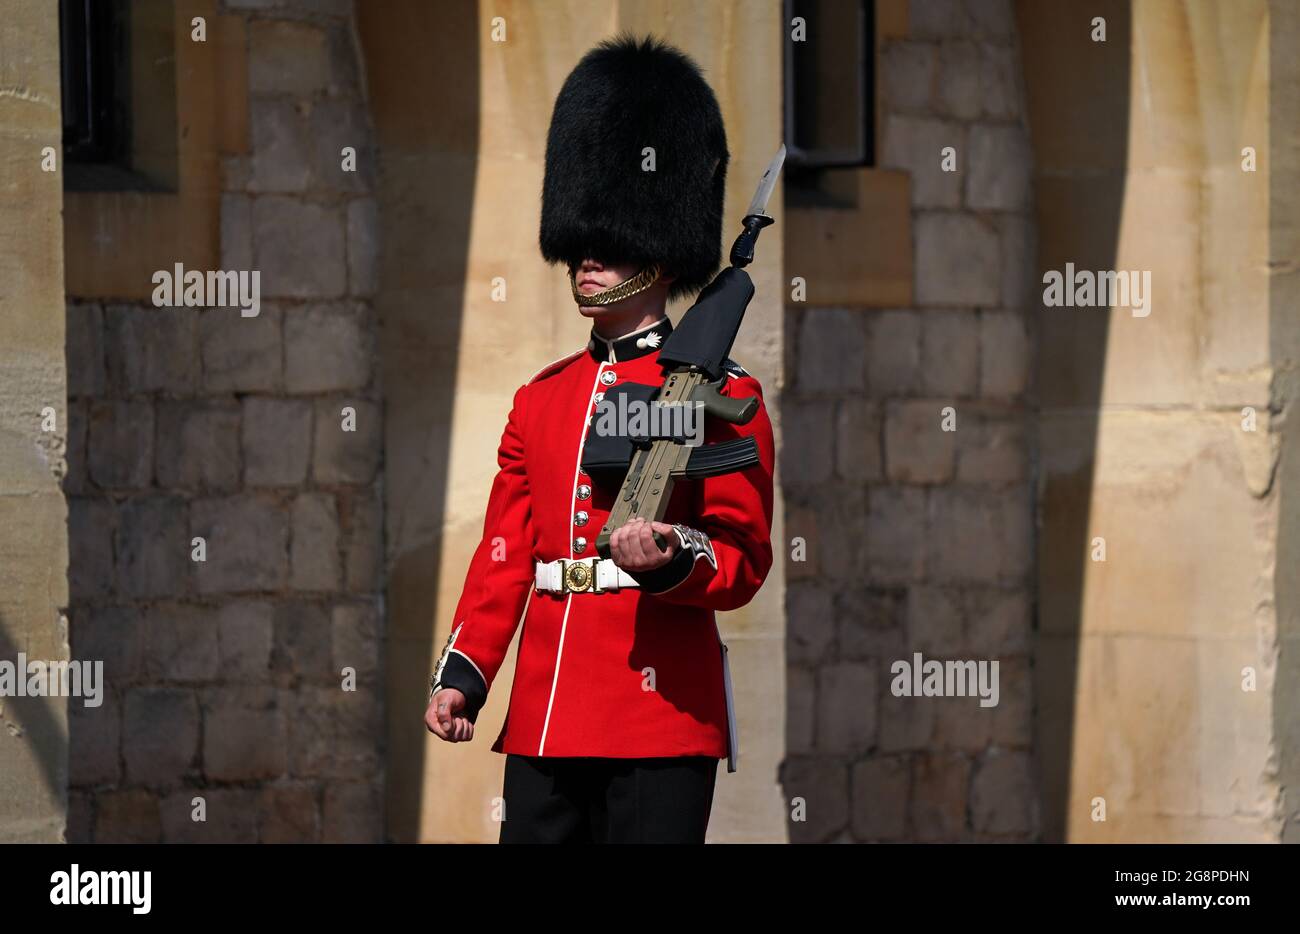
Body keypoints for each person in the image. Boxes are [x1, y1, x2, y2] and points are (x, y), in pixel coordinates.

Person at [423, 34, 774, 844]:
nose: (586, 259)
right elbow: (505, 555)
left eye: (607, 244)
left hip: (658, 716)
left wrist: (675, 555)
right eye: (582, 242)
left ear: (657, 252)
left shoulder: (728, 395)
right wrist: (467, 674)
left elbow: (742, 554)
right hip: (545, 715)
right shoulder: (542, 400)